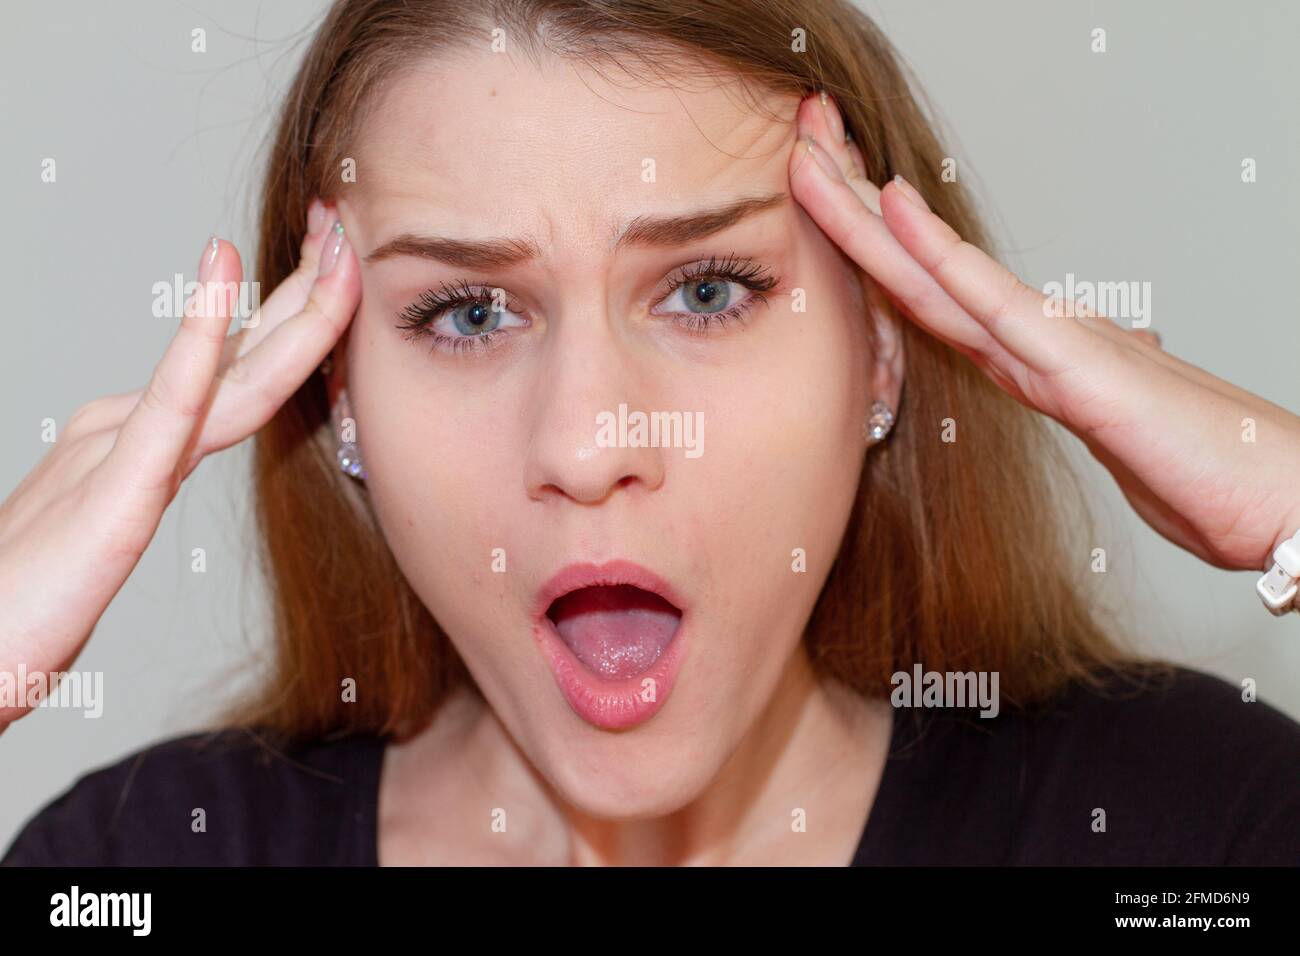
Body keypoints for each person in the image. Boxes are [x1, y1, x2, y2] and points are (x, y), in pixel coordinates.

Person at [2, 0, 1297, 866]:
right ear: (337, 394)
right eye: (465, 312)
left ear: (884, 350)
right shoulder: (139, 861)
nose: (586, 438)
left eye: (708, 291)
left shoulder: (1192, 827)